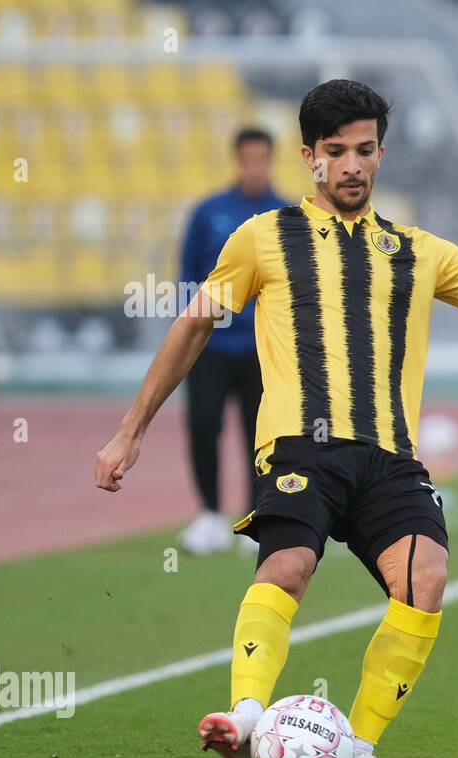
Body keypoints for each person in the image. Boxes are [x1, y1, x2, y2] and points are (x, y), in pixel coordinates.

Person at [94, 79, 458, 758]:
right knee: (290, 563)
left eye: (365, 150)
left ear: (381, 154)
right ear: (309, 157)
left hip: (389, 457)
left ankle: (355, 752)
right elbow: (195, 322)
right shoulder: (263, 238)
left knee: (425, 580)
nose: (352, 165)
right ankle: (243, 716)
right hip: (299, 445)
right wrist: (129, 432)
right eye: (335, 152)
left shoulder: (419, 251)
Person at [178, 128, 288, 555]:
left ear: (271, 159)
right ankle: (208, 514)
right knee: (203, 423)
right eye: (248, 158)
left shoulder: (284, 214)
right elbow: (188, 273)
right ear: (238, 160)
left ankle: (256, 514)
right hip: (212, 344)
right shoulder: (209, 212)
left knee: (260, 434)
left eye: (262, 158)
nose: (255, 166)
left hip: (262, 345)